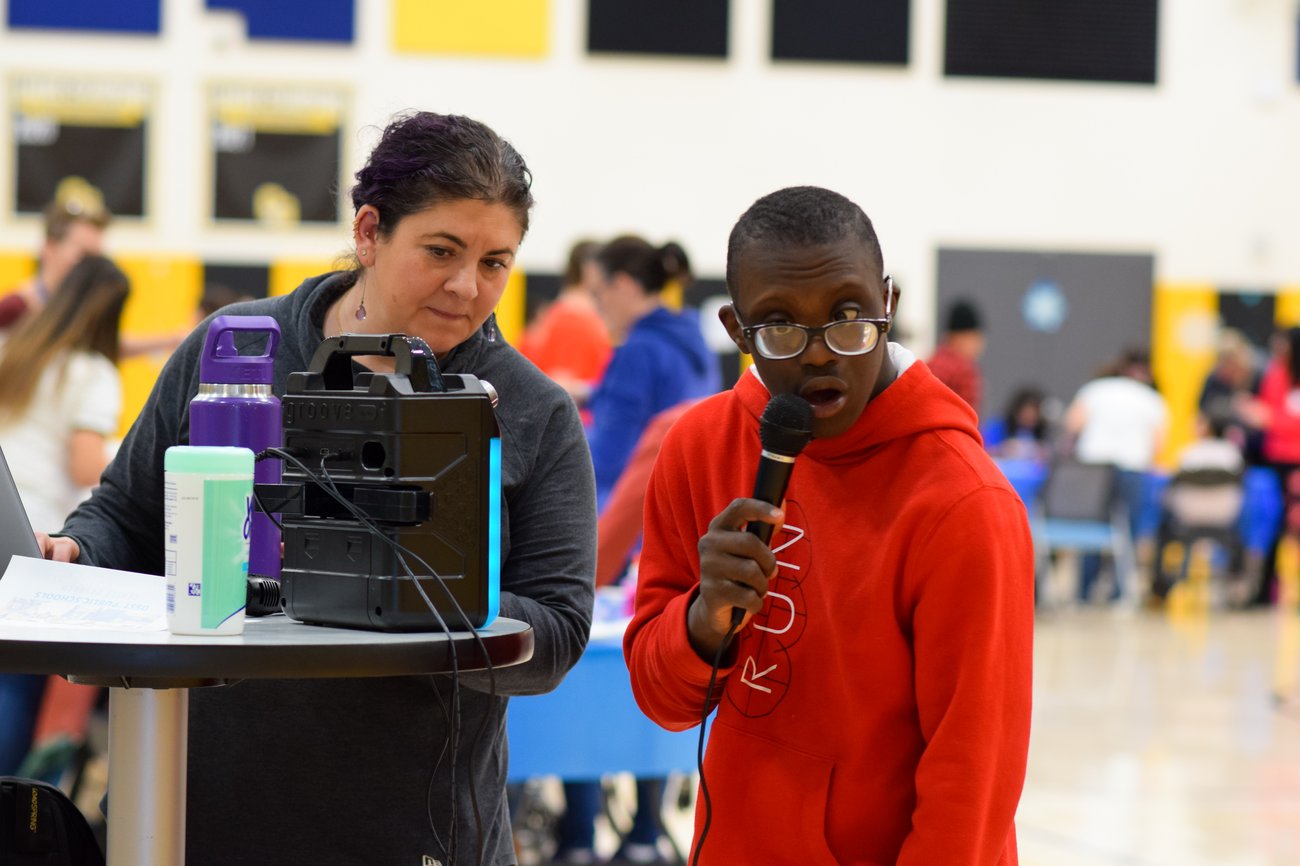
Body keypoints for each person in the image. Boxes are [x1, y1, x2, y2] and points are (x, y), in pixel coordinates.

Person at [37, 111, 596, 866]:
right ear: (369, 232)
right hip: (197, 819)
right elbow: (128, 516)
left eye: (496, 262)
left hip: (415, 836)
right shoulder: (233, 348)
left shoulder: (532, 411)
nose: (467, 287)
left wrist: (410, 589)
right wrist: (70, 553)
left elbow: (557, 634)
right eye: (441, 251)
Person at [623, 186, 1034, 864]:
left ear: (889, 305)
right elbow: (663, 700)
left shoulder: (965, 503)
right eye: (780, 324)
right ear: (736, 330)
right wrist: (704, 619)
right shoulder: (699, 447)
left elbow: (973, 783)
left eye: (848, 315)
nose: (819, 353)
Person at [0, 254, 130, 776]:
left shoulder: (18, 351)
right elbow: (84, 465)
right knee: (26, 682)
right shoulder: (93, 373)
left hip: (7, 516)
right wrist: (129, 455)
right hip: (42, 542)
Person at [585, 236, 721, 508]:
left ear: (623, 285)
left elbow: (608, 457)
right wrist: (591, 395)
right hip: (685, 503)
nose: (597, 308)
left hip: (636, 516)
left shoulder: (638, 351)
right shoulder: (692, 339)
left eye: (598, 294)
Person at [1061, 348, 1169, 603]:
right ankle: (1120, 592)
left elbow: (1072, 425)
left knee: (1091, 528)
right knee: (1126, 532)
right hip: (1133, 468)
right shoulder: (1152, 399)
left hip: (1093, 468)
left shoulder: (1095, 390)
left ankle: (1084, 591)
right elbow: (1158, 445)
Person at [517, 239, 611, 419]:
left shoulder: (570, 314)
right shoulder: (574, 319)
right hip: (578, 424)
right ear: (589, 269)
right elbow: (562, 382)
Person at [0, 196, 110, 329]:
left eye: (97, 258)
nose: (93, 266)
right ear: (50, 248)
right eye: (83, 254)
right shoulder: (13, 309)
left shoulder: (85, 309)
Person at [927, 297, 985, 415]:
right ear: (959, 337)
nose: (980, 345)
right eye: (975, 338)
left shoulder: (930, 363)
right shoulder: (963, 371)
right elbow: (968, 417)